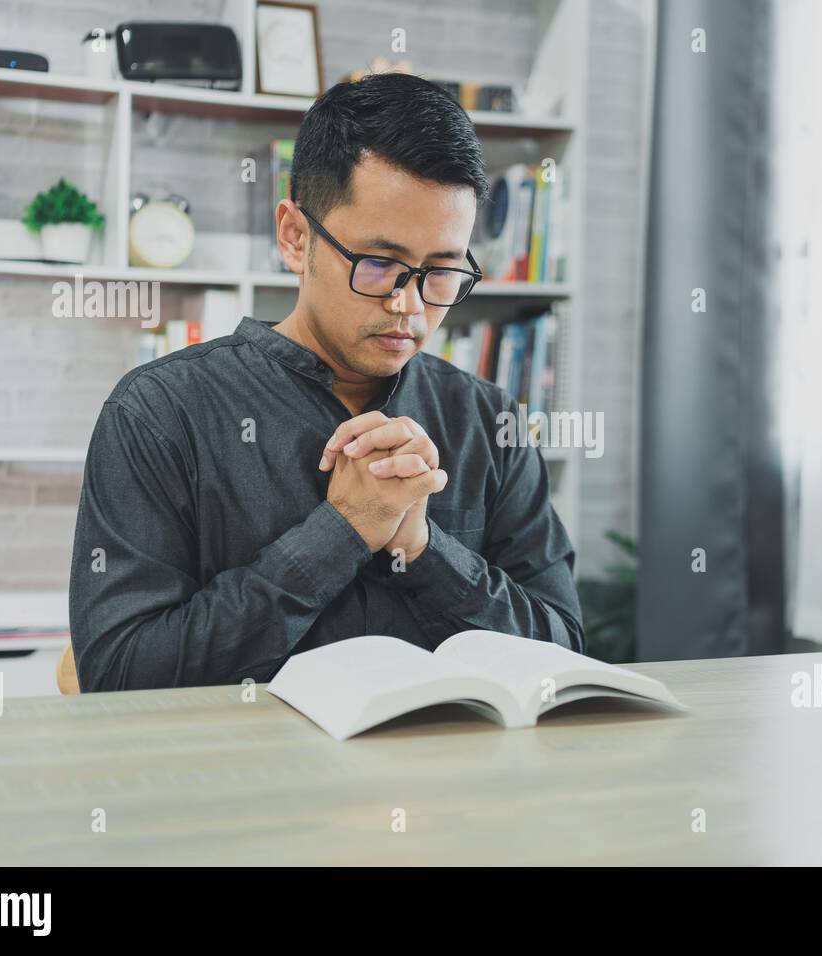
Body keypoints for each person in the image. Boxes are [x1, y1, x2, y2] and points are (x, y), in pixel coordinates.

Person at [68, 72, 583, 691]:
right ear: (295, 236)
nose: (409, 307)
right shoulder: (158, 412)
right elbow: (118, 676)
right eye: (378, 264)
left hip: (450, 785)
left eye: (441, 272)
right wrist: (342, 531)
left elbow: (563, 653)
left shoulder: (488, 421)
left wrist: (424, 547)